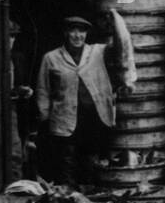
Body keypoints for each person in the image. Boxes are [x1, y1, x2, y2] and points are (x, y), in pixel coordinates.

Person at [35, 12, 135, 187]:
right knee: (66, 165)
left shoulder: (98, 52)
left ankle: (88, 201)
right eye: (72, 31)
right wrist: (44, 117)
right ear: (65, 33)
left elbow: (122, 47)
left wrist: (114, 19)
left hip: (93, 119)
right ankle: (68, 201)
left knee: (91, 163)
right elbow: (43, 90)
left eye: (81, 32)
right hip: (64, 120)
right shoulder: (51, 58)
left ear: (87, 34)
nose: (77, 36)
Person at [8, 19, 34, 180]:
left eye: (13, 36)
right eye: (8, 36)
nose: (10, 40)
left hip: (13, 109)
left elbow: (18, 83)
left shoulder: (17, 58)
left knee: (16, 153)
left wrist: (22, 90)